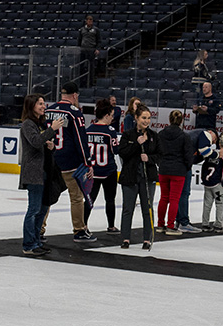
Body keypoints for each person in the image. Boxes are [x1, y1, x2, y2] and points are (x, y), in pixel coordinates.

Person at [45, 82, 96, 244]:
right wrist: (87, 162)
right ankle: (79, 230)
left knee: (48, 197)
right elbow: (81, 140)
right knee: (76, 197)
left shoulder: (48, 110)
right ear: (75, 95)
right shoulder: (74, 113)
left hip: (51, 160)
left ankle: (39, 229)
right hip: (70, 163)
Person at [19, 93, 65, 257]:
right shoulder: (27, 124)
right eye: (40, 103)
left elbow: (42, 144)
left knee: (42, 208)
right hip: (34, 173)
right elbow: (35, 142)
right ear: (31, 106)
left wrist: (51, 146)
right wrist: (51, 130)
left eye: (44, 103)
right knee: (34, 209)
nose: (43, 106)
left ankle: (36, 241)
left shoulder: (40, 123)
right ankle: (29, 244)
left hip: (45, 171)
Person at [118, 105, 159, 251]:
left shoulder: (154, 136)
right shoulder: (128, 135)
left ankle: (148, 238)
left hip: (147, 178)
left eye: (148, 118)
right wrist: (137, 144)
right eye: (143, 118)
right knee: (127, 209)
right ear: (136, 118)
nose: (146, 121)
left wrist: (149, 158)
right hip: (130, 177)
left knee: (147, 209)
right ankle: (125, 238)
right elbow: (122, 153)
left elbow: (160, 156)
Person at [84, 99, 119, 234]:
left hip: (92, 171)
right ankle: (111, 226)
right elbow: (116, 150)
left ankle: (84, 225)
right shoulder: (110, 131)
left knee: (89, 199)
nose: (112, 118)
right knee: (110, 199)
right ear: (106, 115)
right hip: (108, 171)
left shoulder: (88, 130)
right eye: (111, 115)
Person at [156, 110, 193, 236]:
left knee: (164, 198)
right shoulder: (184, 136)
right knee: (174, 199)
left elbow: (157, 151)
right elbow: (188, 156)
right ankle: (171, 226)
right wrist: (186, 167)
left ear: (169, 119)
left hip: (164, 169)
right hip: (178, 170)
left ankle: (160, 225)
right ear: (181, 120)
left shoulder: (161, 134)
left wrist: (161, 164)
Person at [200, 133, 223, 232]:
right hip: (218, 184)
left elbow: (204, 167)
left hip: (208, 183)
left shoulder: (211, 153)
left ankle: (205, 224)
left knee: (207, 204)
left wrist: (204, 179)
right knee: (220, 203)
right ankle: (218, 224)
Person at [78, 15, 101, 86]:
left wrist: (97, 49)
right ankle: (81, 82)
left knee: (91, 67)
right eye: (88, 20)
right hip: (83, 50)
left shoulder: (96, 30)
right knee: (81, 67)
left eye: (91, 20)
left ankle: (90, 82)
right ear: (86, 21)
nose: (89, 21)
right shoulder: (82, 29)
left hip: (91, 50)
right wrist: (79, 48)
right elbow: (79, 40)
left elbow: (99, 40)